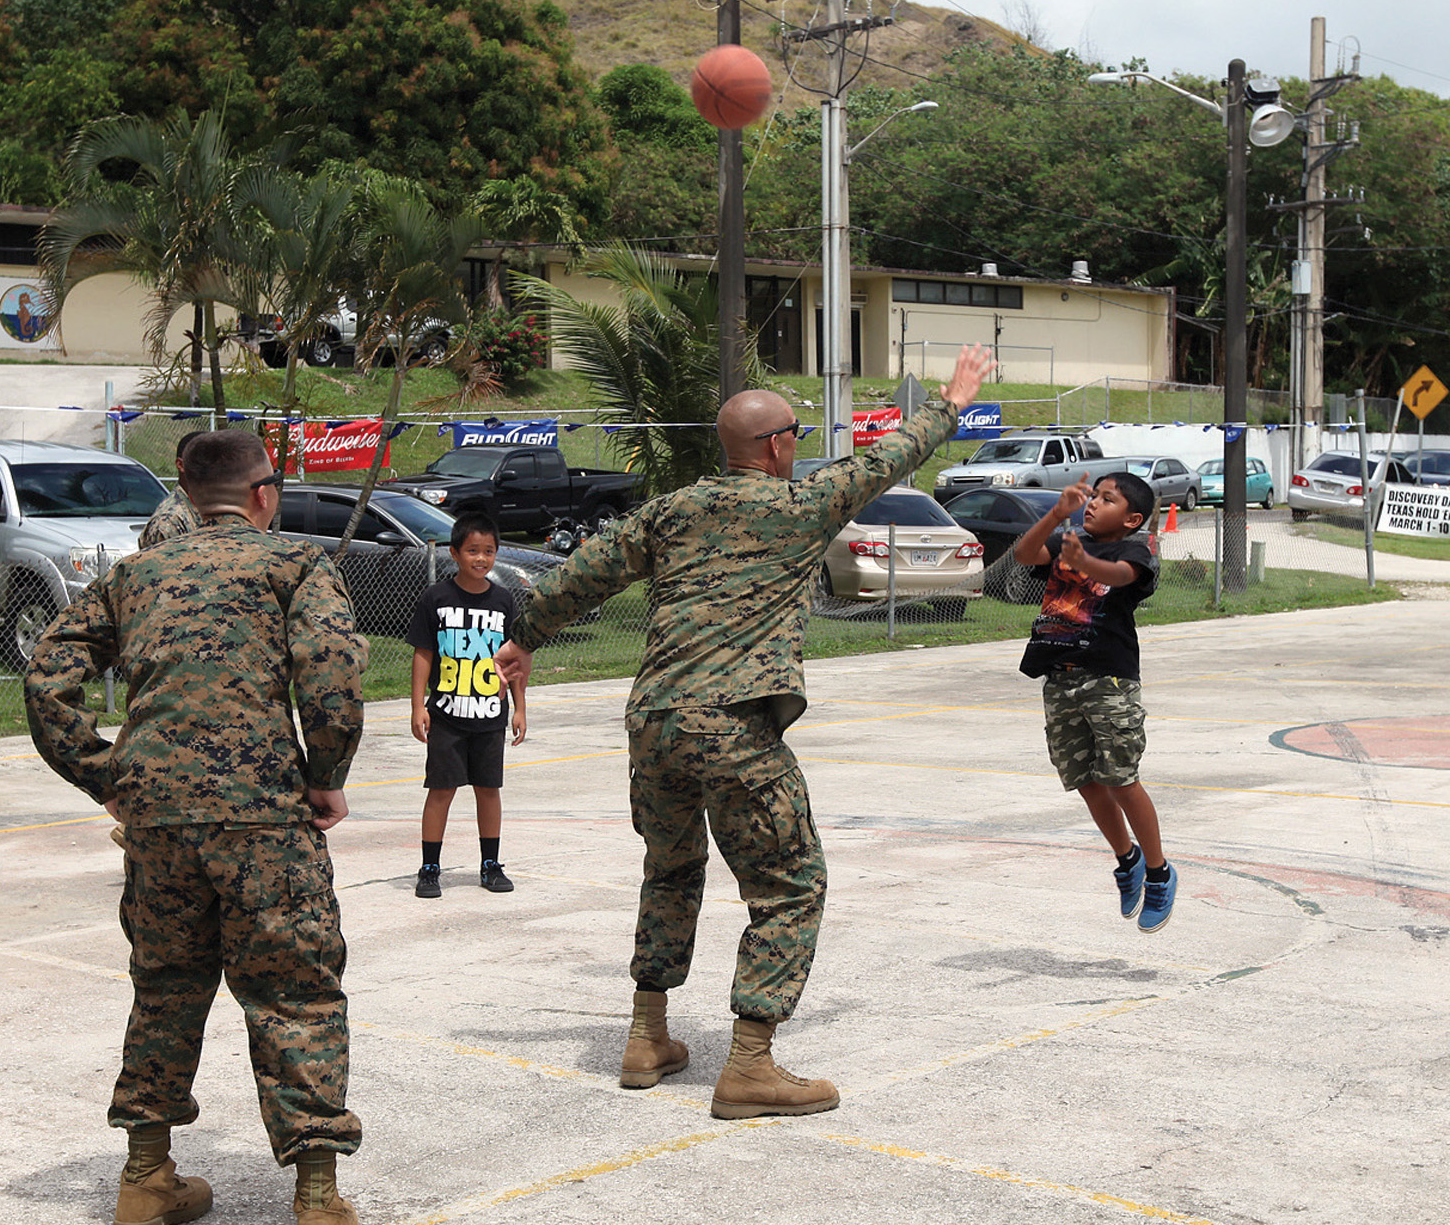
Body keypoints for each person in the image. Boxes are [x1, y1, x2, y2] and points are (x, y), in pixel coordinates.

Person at [494, 345, 997, 1119]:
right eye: (795, 433)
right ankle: (752, 1063)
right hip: (732, 721)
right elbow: (894, 455)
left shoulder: (672, 509)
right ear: (777, 446)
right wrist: (954, 399)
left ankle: (646, 1034)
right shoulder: (803, 505)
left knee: (671, 869)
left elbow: (586, 569)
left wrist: (526, 633)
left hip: (653, 719)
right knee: (791, 883)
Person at [24, 430, 367, 1225]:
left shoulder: (132, 576)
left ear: (185, 488)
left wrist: (105, 771)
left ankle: (144, 1180)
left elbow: (45, 675)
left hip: (159, 822)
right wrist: (326, 775)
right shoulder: (294, 565)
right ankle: (317, 1206)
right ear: (264, 493)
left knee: (167, 987)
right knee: (293, 991)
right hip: (263, 819)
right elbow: (330, 675)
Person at [1011, 469, 1175, 931]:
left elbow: (1119, 577)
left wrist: (1083, 558)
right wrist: (1056, 514)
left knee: (1120, 779)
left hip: (1110, 681)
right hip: (1060, 678)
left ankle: (1160, 872)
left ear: (1132, 518)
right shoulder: (1071, 540)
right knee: (1083, 778)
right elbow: (1025, 554)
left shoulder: (1133, 550)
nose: (1094, 504)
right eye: (1094, 497)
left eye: (1108, 500)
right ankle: (1129, 861)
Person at [404, 511, 528, 899]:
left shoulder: (504, 601)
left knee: (488, 789)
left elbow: (516, 661)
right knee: (440, 790)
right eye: (472, 550)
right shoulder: (436, 598)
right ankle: (429, 867)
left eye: (488, 551)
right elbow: (423, 654)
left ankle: (490, 864)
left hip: (490, 716)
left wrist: (520, 707)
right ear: (454, 553)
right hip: (446, 715)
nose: (481, 559)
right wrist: (416, 706)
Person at [137, 428, 206, 550]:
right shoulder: (169, 522)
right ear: (181, 465)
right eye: (205, 461)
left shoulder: (208, 509)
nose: (214, 468)